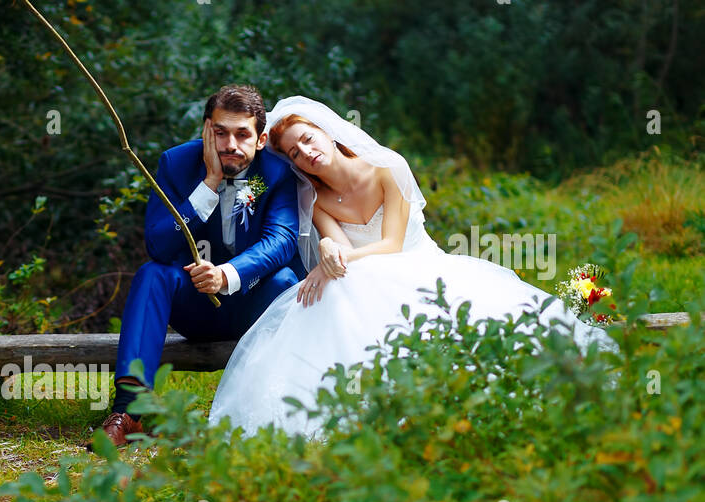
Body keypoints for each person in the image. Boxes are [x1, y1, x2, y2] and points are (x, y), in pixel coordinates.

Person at [208, 96, 617, 439]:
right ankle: (353, 410)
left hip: (416, 265)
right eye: (295, 153)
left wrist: (333, 259)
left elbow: (390, 245)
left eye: (309, 140)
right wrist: (330, 249)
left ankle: (577, 308)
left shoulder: (387, 167)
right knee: (337, 295)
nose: (307, 154)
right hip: (364, 278)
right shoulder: (316, 198)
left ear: (327, 133)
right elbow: (341, 250)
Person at [90, 84, 306, 449]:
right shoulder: (176, 163)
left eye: (242, 134)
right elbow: (159, 245)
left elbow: (282, 240)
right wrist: (209, 184)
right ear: (207, 129)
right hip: (191, 306)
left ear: (260, 138)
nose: (230, 145)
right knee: (152, 274)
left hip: (250, 305)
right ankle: (130, 411)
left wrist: (227, 274)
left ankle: (278, 404)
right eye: (220, 132)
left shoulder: (278, 173)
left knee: (286, 279)